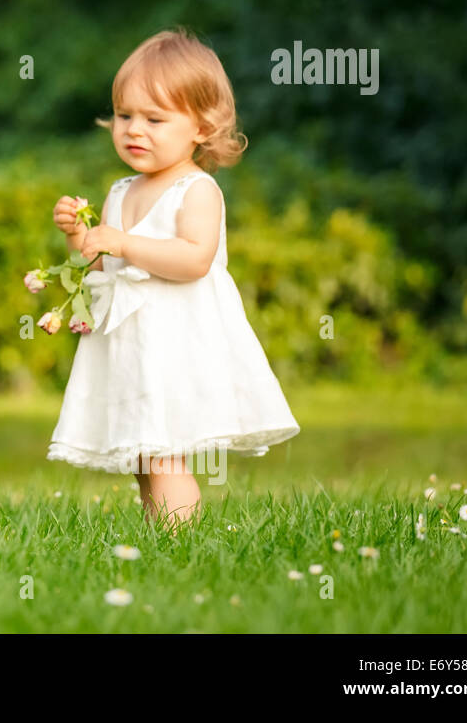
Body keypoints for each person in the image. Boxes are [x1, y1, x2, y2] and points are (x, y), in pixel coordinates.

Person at [47, 28, 300, 529]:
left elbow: (193, 259)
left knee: (164, 454)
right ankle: (161, 537)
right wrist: (81, 237)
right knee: (144, 456)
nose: (134, 130)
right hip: (133, 346)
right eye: (124, 116)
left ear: (202, 127)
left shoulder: (196, 190)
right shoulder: (121, 190)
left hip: (178, 343)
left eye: (154, 119)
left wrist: (120, 242)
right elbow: (104, 264)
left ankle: (180, 543)